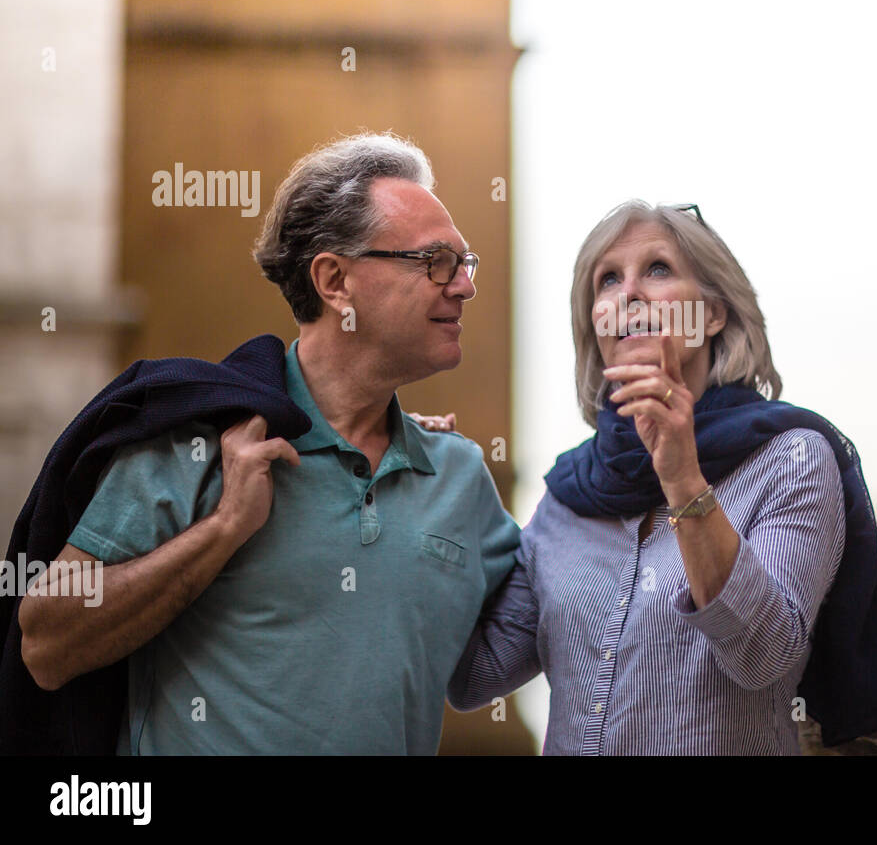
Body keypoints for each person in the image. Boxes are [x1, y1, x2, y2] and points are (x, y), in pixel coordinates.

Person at [17, 132, 519, 754]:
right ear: (335, 281)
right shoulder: (197, 440)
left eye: (465, 265)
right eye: (436, 262)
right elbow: (45, 645)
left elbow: (564, 611)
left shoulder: (460, 476)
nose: (464, 286)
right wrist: (224, 528)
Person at [432, 200, 877, 754]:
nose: (628, 293)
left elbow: (763, 657)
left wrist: (683, 478)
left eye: (657, 269)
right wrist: (431, 491)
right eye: (607, 279)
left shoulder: (791, 459)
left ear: (714, 314)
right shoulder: (569, 494)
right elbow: (473, 675)